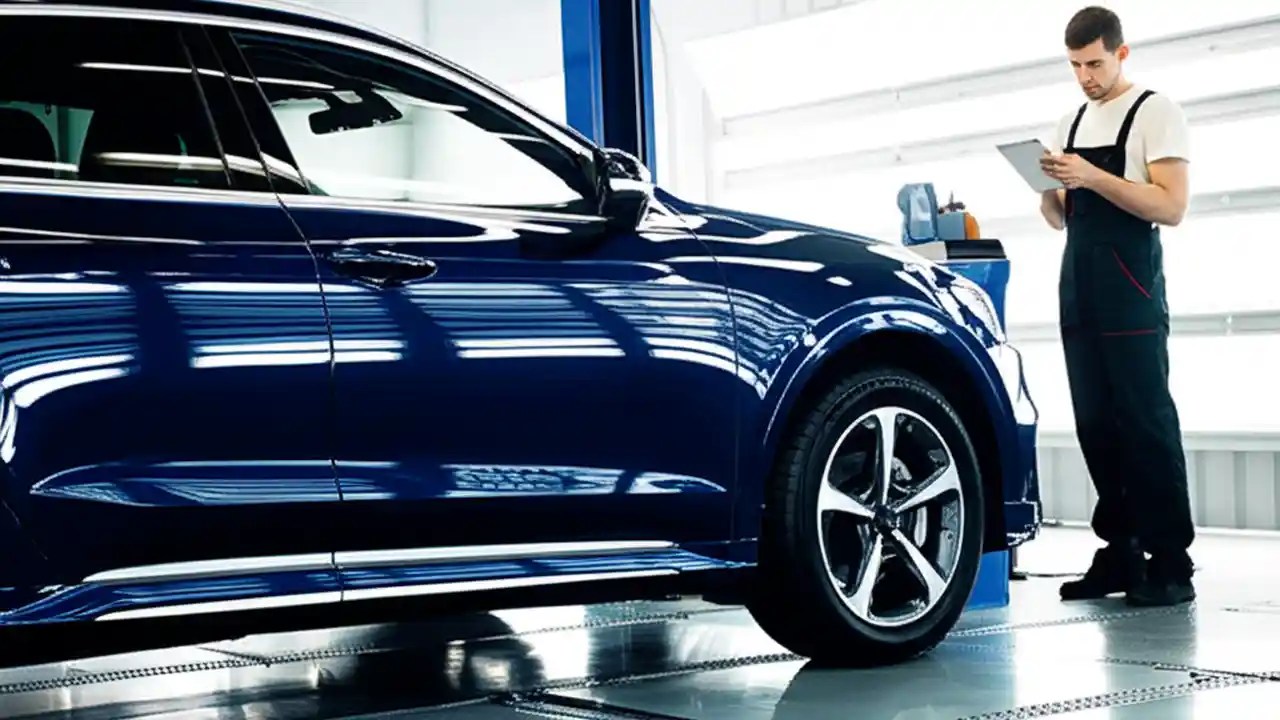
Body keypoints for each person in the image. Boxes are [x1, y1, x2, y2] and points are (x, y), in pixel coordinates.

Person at [1038, 6, 1195, 607]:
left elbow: (1170, 206)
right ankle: (1121, 551)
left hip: (1130, 289)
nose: (1085, 77)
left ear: (1121, 53)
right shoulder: (1070, 119)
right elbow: (1058, 219)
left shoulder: (1157, 111)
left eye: (1095, 63)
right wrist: (1050, 188)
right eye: (1076, 65)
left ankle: (1170, 562)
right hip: (1078, 288)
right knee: (1095, 423)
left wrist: (1092, 177)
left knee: (1146, 421)